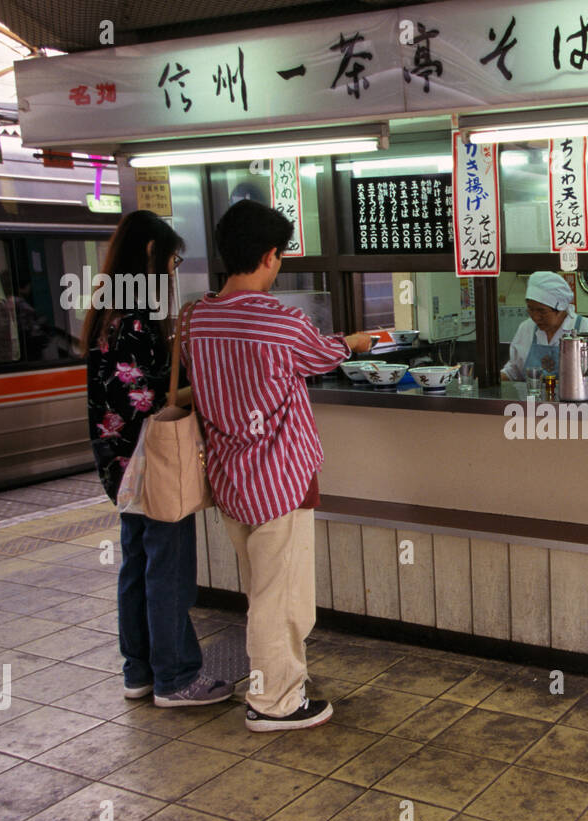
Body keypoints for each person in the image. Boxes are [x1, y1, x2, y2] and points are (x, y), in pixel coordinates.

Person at [184, 199, 374, 732]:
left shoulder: (197, 318)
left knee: (261, 591)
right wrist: (354, 343)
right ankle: (275, 703)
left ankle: (277, 684)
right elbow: (323, 354)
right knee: (281, 600)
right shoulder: (281, 320)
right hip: (279, 479)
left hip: (229, 479)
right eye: (281, 254)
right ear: (269, 255)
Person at [83, 210, 232, 708]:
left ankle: (140, 671)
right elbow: (148, 398)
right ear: (150, 253)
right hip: (154, 462)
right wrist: (206, 387)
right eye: (171, 260)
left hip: (119, 466)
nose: (172, 271)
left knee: (137, 564)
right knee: (167, 566)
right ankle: (177, 677)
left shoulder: (106, 309)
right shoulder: (138, 318)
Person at [500, 271, 588, 382]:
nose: (535, 317)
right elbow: (514, 371)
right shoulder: (526, 328)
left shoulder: (587, 328)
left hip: (574, 398)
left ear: (561, 308)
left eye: (542, 311)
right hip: (531, 399)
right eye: (531, 309)